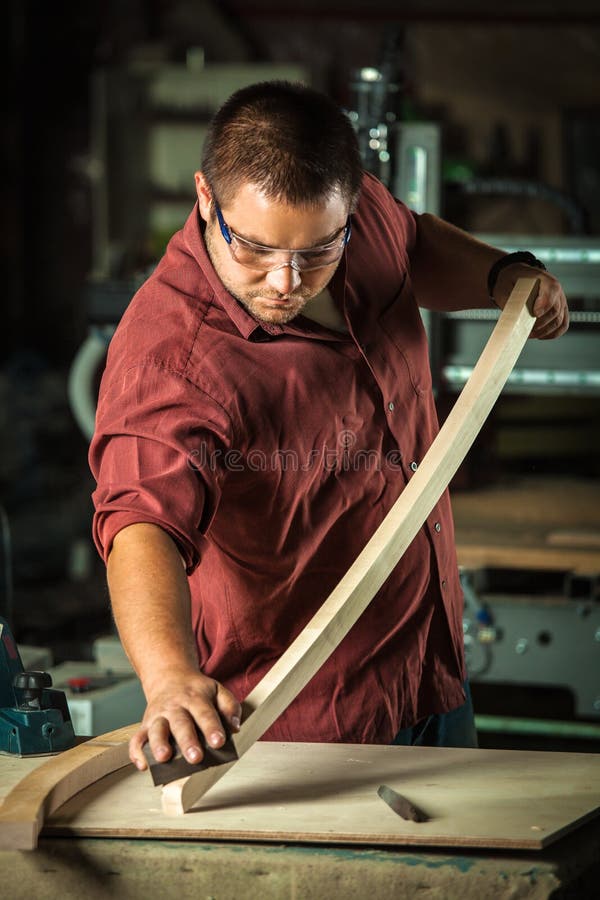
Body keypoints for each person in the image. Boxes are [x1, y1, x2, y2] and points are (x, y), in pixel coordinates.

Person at [89, 80, 569, 772]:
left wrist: (500, 275)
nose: (286, 280)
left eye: (317, 252)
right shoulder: (170, 358)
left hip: (433, 674)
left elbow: (411, 243)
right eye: (253, 248)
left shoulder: (355, 215)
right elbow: (141, 524)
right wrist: (167, 678)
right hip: (310, 730)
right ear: (205, 197)